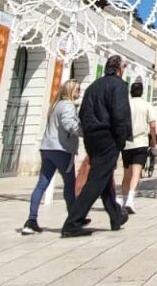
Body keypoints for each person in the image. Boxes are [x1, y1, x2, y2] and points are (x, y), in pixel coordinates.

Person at [60, 55, 131, 237]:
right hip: (107, 136)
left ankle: (116, 216)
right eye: (124, 67)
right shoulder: (119, 86)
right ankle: (72, 222)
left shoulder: (93, 86)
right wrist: (121, 140)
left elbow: (83, 112)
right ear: (119, 69)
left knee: (104, 176)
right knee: (96, 179)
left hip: (91, 137)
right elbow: (120, 114)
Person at [23, 80, 81, 234]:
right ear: (70, 90)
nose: (79, 92)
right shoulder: (68, 106)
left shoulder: (55, 105)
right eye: (77, 89)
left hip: (47, 148)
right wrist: (81, 130)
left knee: (42, 183)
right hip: (62, 149)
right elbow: (69, 124)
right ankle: (74, 218)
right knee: (70, 183)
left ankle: (31, 220)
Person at [120, 80, 152, 214]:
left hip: (126, 143)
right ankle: (130, 200)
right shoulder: (146, 105)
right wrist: (154, 141)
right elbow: (153, 125)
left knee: (126, 174)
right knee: (136, 173)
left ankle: (125, 198)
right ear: (142, 92)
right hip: (141, 143)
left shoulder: (125, 105)